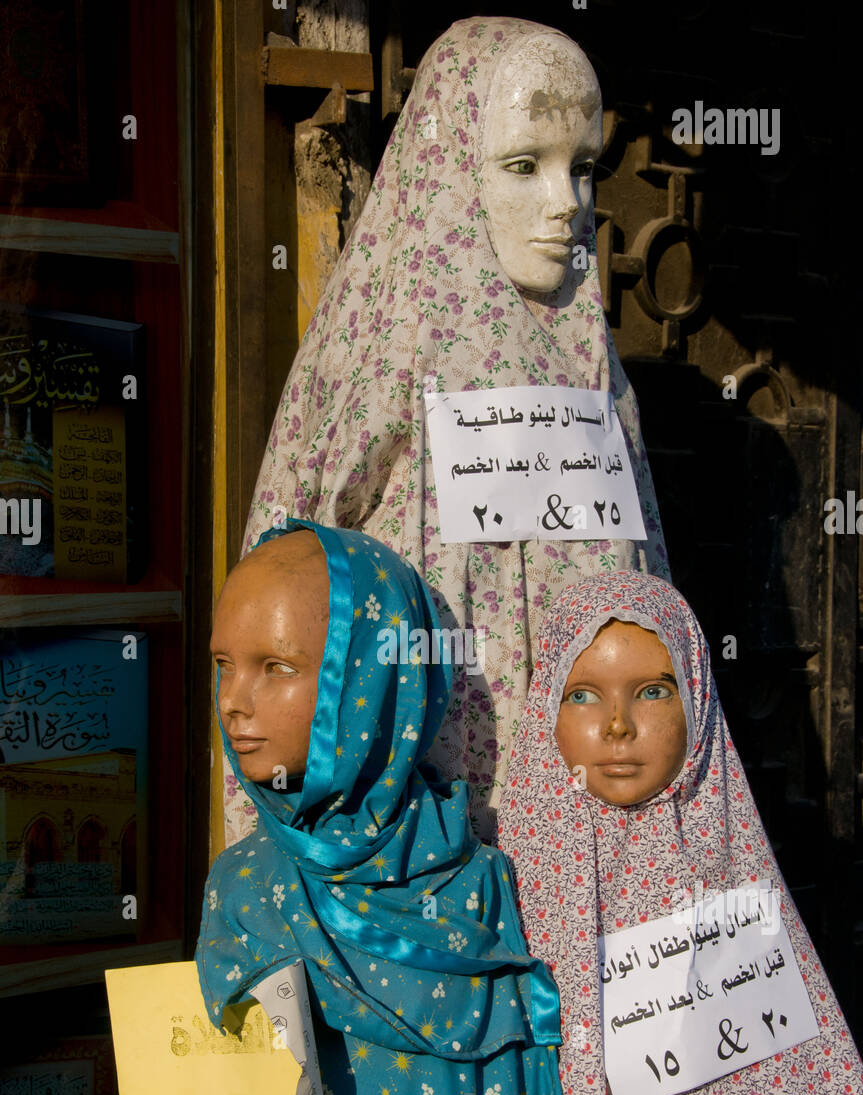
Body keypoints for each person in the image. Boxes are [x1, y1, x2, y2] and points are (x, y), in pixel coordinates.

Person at [228, 16, 669, 848]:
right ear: (449, 168)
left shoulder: (591, 359)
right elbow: (285, 568)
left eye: (580, 169)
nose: (563, 206)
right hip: (427, 818)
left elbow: (645, 574)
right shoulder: (389, 340)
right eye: (521, 165)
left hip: (595, 802)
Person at [128, 520, 571, 1095]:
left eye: (276, 667)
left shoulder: (476, 890)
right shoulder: (240, 886)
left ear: (370, 679)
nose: (235, 702)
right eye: (224, 666)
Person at [498, 571, 863, 1095]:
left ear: (697, 699)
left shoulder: (734, 883)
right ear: (545, 708)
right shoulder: (496, 895)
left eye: (653, 690)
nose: (616, 725)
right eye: (582, 694)